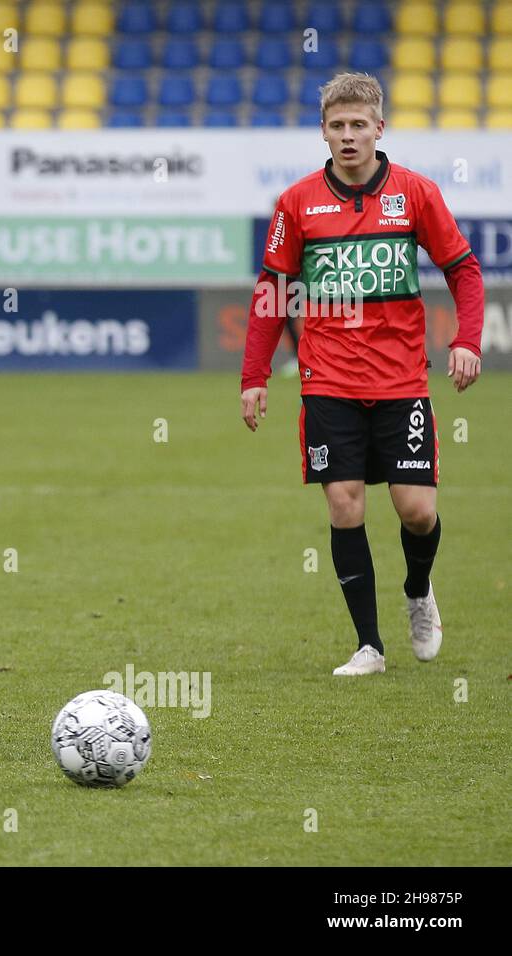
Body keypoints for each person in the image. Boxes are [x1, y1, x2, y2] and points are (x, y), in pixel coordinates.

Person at [240, 73, 484, 676]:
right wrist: (255, 376)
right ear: (323, 131)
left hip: (402, 381)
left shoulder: (415, 193)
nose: (348, 136)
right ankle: (369, 646)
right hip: (328, 382)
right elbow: (271, 290)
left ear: (379, 128)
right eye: (336, 126)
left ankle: (418, 592)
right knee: (345, 505)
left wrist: (467, 340)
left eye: (358, 125)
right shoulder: (296, 203)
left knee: (416, 511)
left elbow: (464, 270)